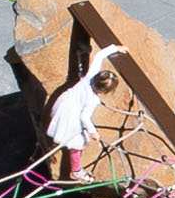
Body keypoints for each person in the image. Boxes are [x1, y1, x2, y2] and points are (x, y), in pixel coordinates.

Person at [45, 45, 125, 179]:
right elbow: (84, 117)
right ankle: (76, 171)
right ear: (103, 92)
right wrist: (93, 131)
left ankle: (57, 132)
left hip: (65, 104)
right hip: (71, 116)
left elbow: (99, 56)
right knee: (77, 143)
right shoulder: (92, 100)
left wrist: (115, 48)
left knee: (64, 126)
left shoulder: (90, 77)